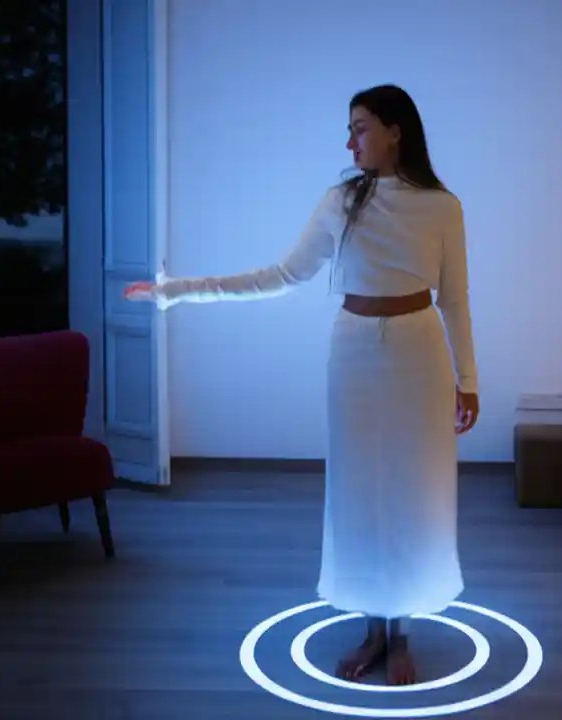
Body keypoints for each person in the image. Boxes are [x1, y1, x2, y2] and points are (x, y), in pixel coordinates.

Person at [123, 84, 478, 686]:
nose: (350, 142)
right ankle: (372, 630)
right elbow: (282, 275)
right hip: (354, 353)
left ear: (395, 131)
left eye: (360, 128)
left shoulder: (443, 206)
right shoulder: (341, 201)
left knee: (415, 491)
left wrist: (467, 380)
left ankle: (401, 632)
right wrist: (175, 291)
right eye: (350, 129)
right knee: (359, 491)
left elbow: (457, 299)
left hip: (420, 354)